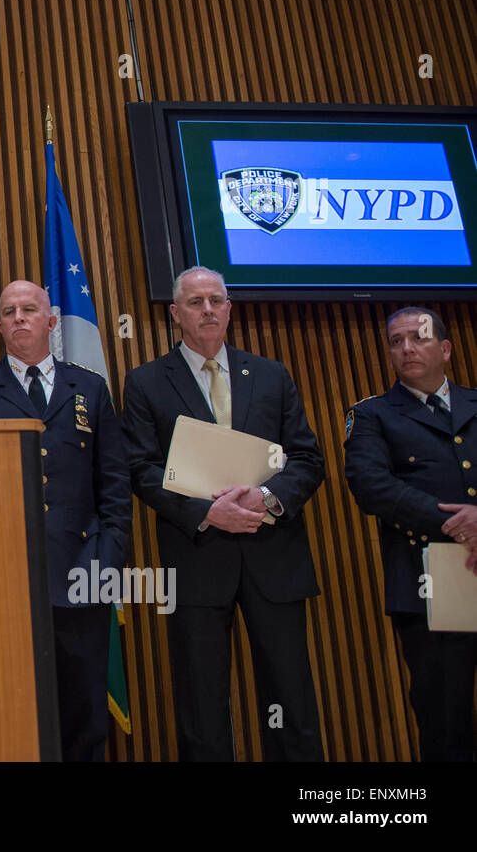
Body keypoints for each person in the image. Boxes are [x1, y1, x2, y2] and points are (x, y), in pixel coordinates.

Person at [121, 266, 326, 761]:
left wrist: (268, 498)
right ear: (176, 314)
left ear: (229, 309)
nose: (208, 309)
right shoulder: (146, 382)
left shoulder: (272, 375)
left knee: (290, 701)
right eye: (195, 302)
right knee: (202, 706)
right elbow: (140, 469)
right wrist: (208, 513)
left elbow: (305, 458)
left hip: (273, 557)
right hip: (196, 560)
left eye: (216, 300)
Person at [0, 280, 130, 761]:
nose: (19, 318)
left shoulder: (89, 387)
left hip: (80, 572)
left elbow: (113, 484)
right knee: (7, 703)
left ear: (51, 321)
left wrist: (106, 561)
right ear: (0, 325)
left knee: (82, 708)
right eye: (9, 311)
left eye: (30, 309)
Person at [343, 307, 477, 761]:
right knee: (445, 719)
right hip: (429, 583)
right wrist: (455, 523)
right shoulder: (372, 415)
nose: (405, 349)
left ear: (445, 349)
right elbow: (372, 487)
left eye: (417, 339)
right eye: (396, 341)